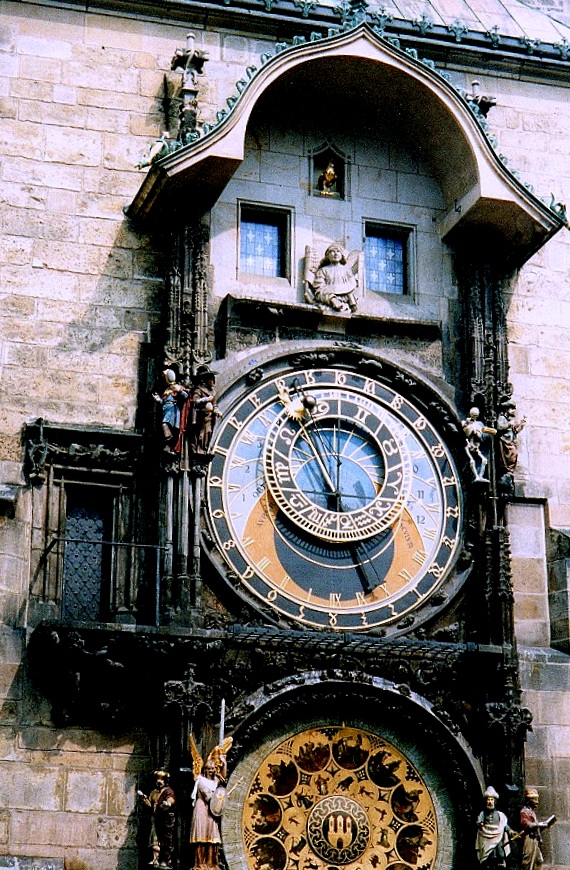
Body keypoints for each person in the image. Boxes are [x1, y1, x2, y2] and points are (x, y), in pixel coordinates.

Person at [190, 757, 226, 870]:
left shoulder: (214, 781)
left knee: (212, 836)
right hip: (202, 808)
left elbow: (223, 778)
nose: (211, 770)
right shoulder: (200, 781)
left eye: (213, 768)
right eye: (209, 769)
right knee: (200, 836)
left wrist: (224, 763)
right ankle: (200, 863)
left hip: (211, 810)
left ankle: (211, 863)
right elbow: (208, 796)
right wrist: (218, 798)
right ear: (205, 770)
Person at [139, 770, 177, 868]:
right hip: (156, 818)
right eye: (158, 779)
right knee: (155, 838)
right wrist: (145, 799)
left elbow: (171, 799)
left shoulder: (168, 791)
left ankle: (166, 860)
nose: (159, 781)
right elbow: (151, 804)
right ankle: (155, 858)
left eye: (161, 779)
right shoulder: (154, 792)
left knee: (166, 839)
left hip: (166, 819)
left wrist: (168, 803)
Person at [311, 244, 358, 313]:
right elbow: (319, 289)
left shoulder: (347, 270)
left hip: (345, 303)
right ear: (328, 255)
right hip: (328, 300)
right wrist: (332, 299)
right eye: (332, 251)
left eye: (338, 251)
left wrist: (352, 302)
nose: (335, 254)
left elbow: (351, 286)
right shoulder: (323, 270)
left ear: (342, 255)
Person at [153, 369, 189, 454]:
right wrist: (158, 399)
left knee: (165, 425)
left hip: (172, 410)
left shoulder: (176, 387)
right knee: (166, 425)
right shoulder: (167, 389)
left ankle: (170, 443)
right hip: (166, 409)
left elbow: (185, 395)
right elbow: (164, 401)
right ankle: (168, 445)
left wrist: (179, 391)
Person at [475, 786, 512, 867]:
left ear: (495, 801)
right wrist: (480, 824)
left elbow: (504, 825)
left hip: (497, 836)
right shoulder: (483, 814)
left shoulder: (500, 815)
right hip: (486, 836)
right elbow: (479, 821)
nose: (490, 802)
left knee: (500, 853)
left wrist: (510, 831)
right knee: (488, 857)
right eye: (488, 800)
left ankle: (501, 863)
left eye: (491, 800)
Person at [519, 786, 555, 870]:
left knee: (539, 860)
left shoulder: (532, 812)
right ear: (529, 800)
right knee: (527, 860)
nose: (537, 802)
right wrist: (539, 824)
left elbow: (535, 827)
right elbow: (527, 825)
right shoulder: (524, 812)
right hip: (529, 839)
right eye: (535, 799)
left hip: (535, 839)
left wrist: (542, 827)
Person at [188, 365, 219, 455]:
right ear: (206, 380)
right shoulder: (199, 389)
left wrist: (217, 411)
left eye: (213, 379)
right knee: (201, 433)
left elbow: (215, 405)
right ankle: (199, 449)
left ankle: (204, 448)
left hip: (209, 416)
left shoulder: (213, 392)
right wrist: (206, 399)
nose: (213, 381)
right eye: (211, 379)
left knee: (208, 432)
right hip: (201, 415)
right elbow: (195, 400)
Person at [462, 407, 496, 482]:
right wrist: (468, 426)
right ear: (471, 414)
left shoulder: (479, 424)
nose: (475, 417)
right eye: (473, 415)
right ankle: (476, 476)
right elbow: (466, 433)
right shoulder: (465, 422)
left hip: (477, 446)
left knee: (484, 460)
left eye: (476, 415)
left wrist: (478, 432)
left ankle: (480, 476)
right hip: (469, 445)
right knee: (472, 461)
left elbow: (481, 436)